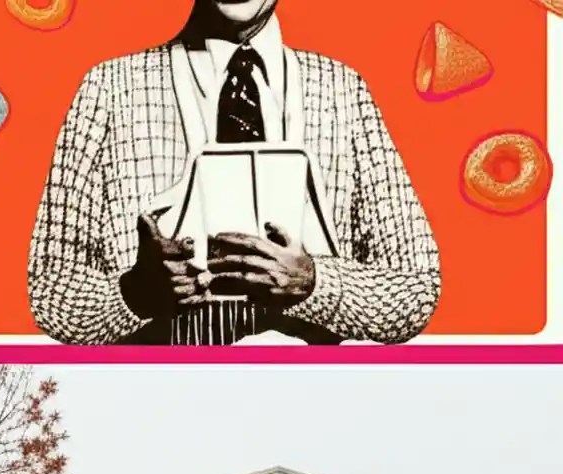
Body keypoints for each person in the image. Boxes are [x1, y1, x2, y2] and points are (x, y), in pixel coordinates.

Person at [27, 0, 440, 345]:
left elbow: (418, 289)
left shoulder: (343, 91)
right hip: (162, 389)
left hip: (313, 393)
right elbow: (51, 293)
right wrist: (136, 294)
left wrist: (316, 283)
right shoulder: (110, 88)